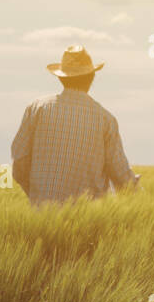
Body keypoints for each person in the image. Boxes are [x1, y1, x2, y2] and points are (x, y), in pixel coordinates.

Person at [10, 45, 140, 205]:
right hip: (90, 221)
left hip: (40, 216)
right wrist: (142, 200)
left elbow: (20, 160)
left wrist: (38, 195)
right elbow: (122, 178)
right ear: (92, 76)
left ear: (61, 77)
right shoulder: (106, 119)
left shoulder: (37, 109)